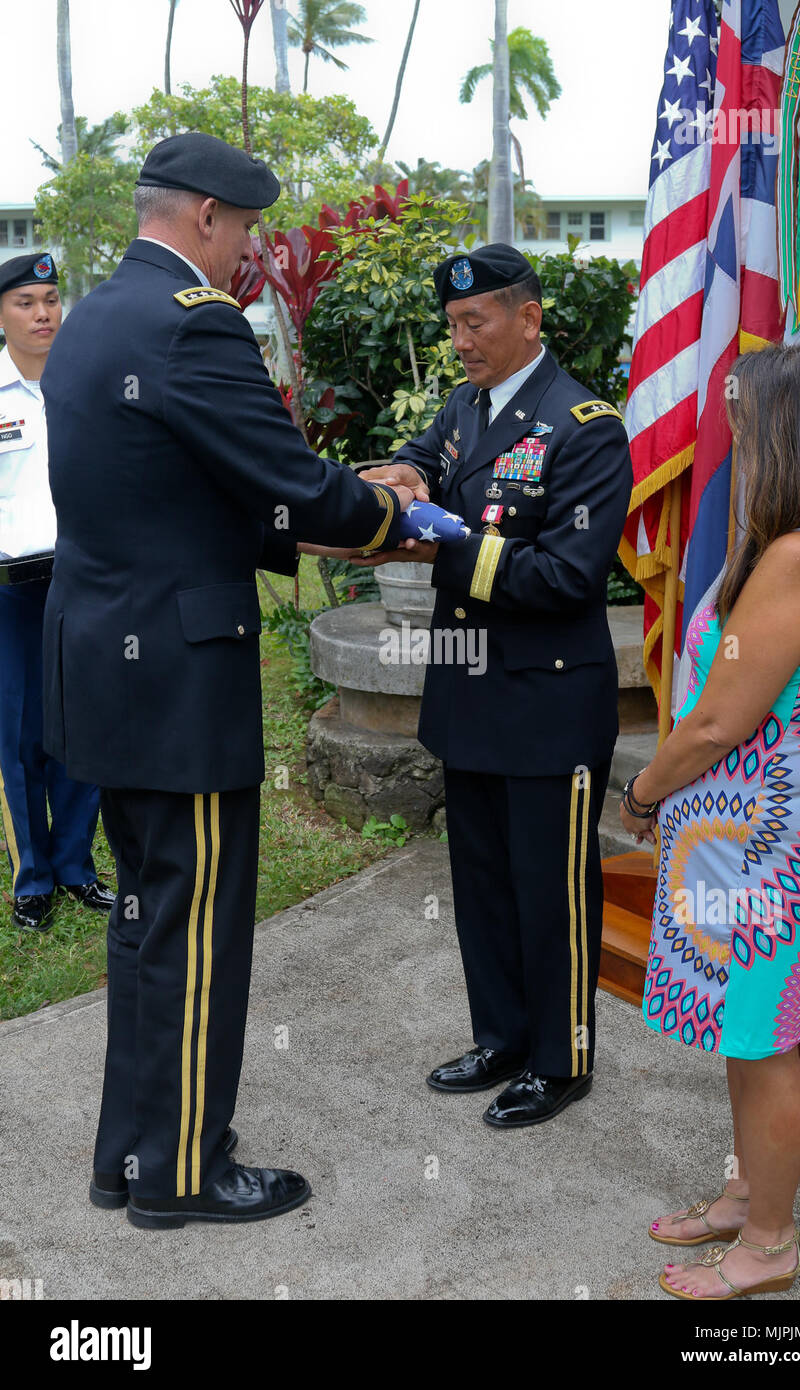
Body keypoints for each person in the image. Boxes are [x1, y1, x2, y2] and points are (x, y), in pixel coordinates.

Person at [40, 132, 415, 1230]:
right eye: (245, 227)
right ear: (205, 215)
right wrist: (392, 510)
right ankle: (183, 1175)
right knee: (198, 923)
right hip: (178, 676)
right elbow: (292, 481)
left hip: (108, 665)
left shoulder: (96, 318)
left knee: (148, 916)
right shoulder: (192, 325)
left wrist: (323, 496)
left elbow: (176, 483)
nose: (249, 250)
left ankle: (133, 1150)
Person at [358, 244, 632, 1127]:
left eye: (477, 323)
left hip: (548, 703)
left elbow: (565, 578)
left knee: (549, 888)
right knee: (480, 880)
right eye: (453, 326)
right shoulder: (469, 407)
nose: (463, 341)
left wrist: (447, 546)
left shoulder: (584, 425)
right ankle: (501, 1035)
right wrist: (404, 475)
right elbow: (426, 455)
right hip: (470, 692)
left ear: (529, 318)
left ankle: (561, 1059)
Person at [619, 344, 800, 1300]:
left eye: (748, 427)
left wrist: (640, 795)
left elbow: (721, 719)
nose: (736, 445)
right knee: (742, 1031)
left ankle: (768, 1241)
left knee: (763, 1039)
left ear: (793, 436)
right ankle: (742, 1195)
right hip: (742, 840)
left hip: (772, 853)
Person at [0, 253, 113, 933]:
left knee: (83, 722)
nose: (43, 314)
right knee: (18, 737)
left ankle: (75, 864)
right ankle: (31, 875)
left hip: (83, 582)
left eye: (51, 299)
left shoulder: (85, 385)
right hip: (12, 594)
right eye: (25, 302)